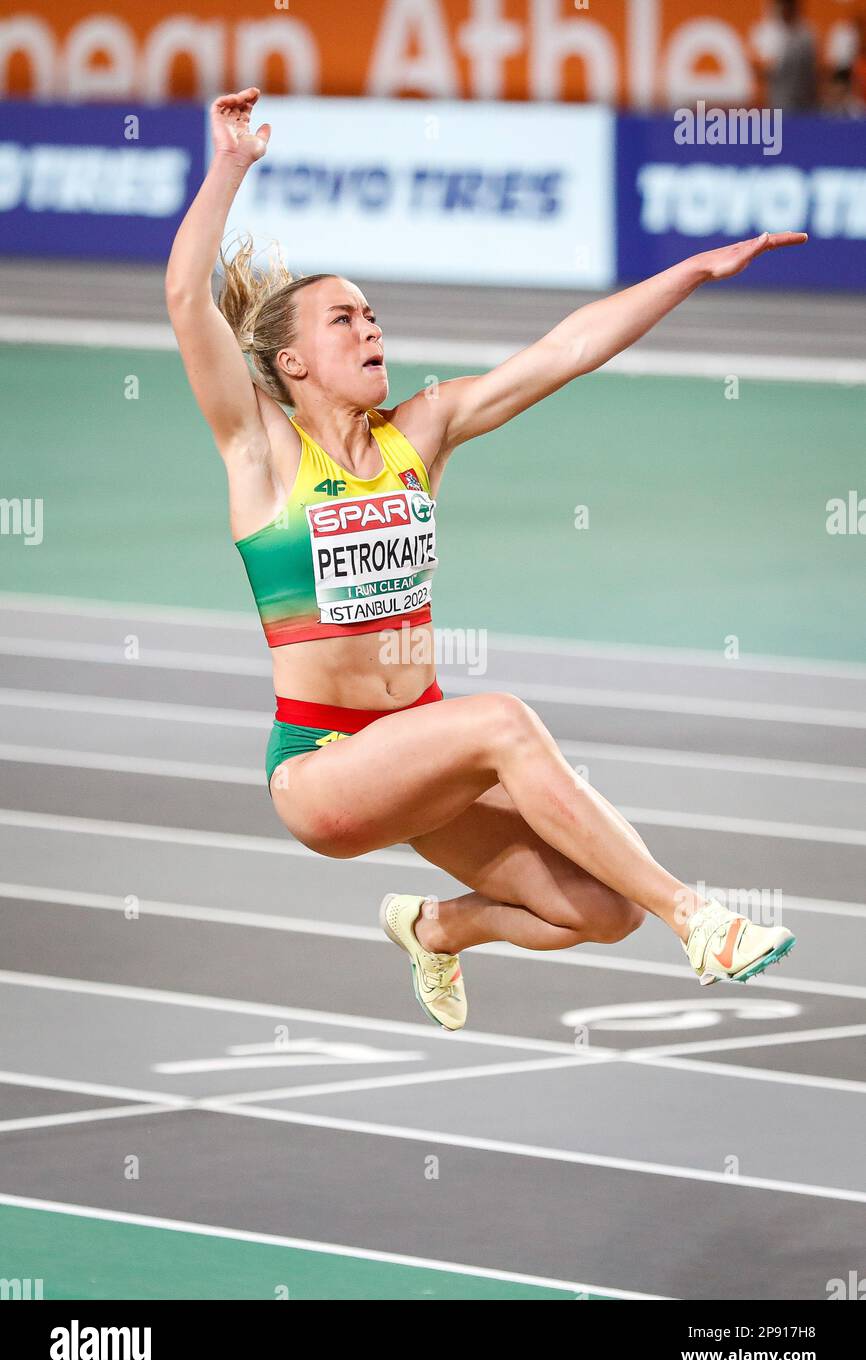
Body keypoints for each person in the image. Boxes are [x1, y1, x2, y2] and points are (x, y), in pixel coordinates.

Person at [165, 88, 805, 1032]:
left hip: (420, 753)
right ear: (292, 365)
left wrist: (691, 272)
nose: (370, 327)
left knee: (598, 912)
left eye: (372, 314)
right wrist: (228, 168)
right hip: (326, 765)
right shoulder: (260, 453)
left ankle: (435, 928)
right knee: (504, 719)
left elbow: (566, 350)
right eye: (342, 320)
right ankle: (697, 916)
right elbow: (186, 298)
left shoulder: (419, 434)